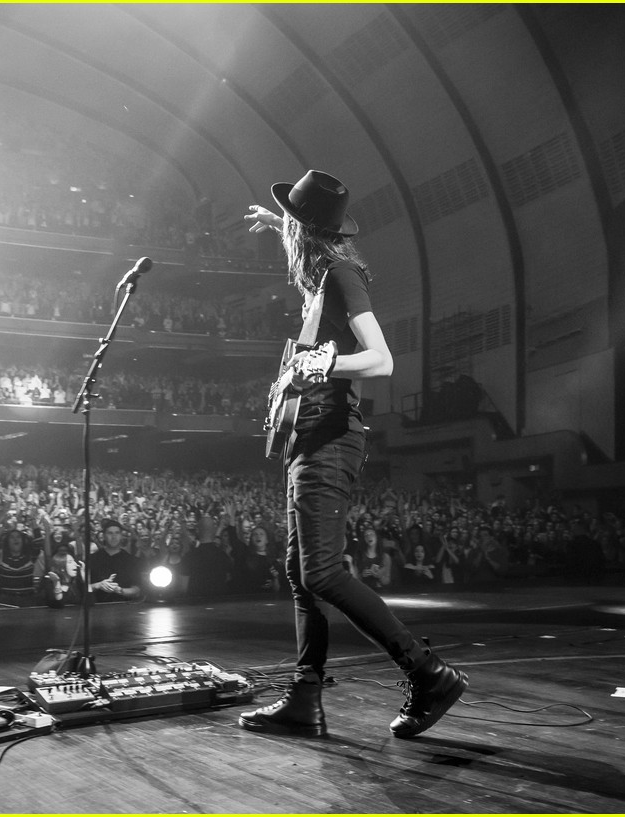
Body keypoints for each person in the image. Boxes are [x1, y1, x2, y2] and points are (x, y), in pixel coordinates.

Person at [237, 170, 467, 740]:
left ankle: (428, 671)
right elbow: (312, 290)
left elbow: (382, 359)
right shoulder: (318, 281)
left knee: (323, 572)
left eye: (291, 219)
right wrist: (278, 224)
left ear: (307, 232)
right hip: (306, 440)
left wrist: (322, 365)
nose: (284, 227)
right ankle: (304, 698)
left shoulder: (341, 275)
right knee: (299, 574)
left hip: (332, 440)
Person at [85, 519, 142, 602]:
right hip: (97, 607)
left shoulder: (131, 560)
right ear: (104, 536)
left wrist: (119, 590)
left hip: (124, 607)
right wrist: (98, 585)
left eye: (117, 533)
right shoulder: (92, 559)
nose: (114, 536)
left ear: (121, 536)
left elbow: (137, 589)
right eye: (110, 533)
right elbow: (83, 588)